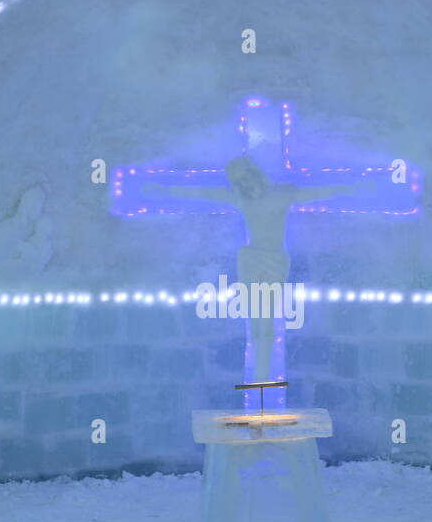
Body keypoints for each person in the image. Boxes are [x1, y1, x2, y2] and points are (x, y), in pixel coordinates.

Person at [144, 156, 363, 380]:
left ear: (254, 173)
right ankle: (260, 373)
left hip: (274, 261)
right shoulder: (243, 200)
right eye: (237, 181)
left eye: (244, 177)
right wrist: (165, 190)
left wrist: (349, 188)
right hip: (250, 260)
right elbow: (205, 194)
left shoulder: (281, 195)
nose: (243, 184)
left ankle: (263, 375)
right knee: (253, 317)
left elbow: (317, 194)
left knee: (266, 316)